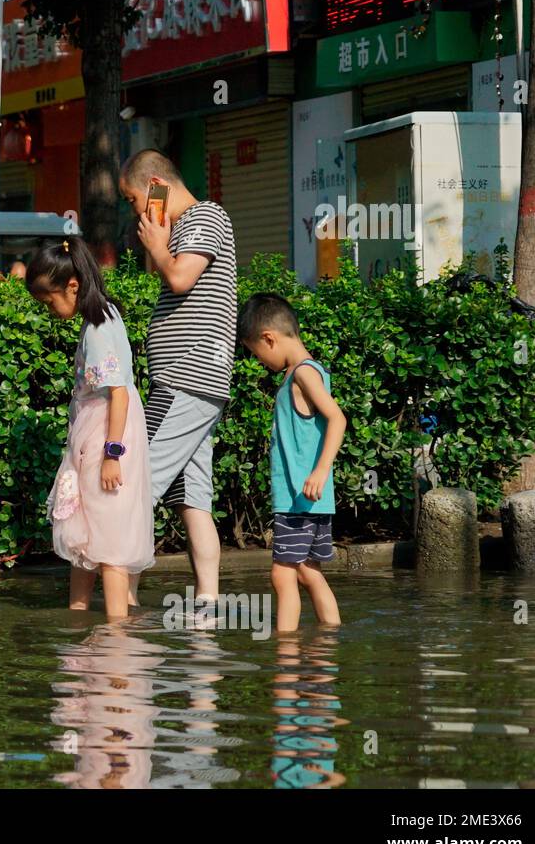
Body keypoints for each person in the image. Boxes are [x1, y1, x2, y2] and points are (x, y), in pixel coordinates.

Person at [122, 148, 237, 608]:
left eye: (133, 198)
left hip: (186, 380)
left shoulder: (206, 215)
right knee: (194, 501)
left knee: (134, 486)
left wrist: (155, 245)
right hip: (191, 383)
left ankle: (122, 602)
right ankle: (207, 608)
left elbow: (182, 278)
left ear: (154, 186)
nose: (134, 209)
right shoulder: (184, 226)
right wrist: (161, 241)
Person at [28, 238, 153, 618]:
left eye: (49, 302)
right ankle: (78, 616)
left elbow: (119, 393)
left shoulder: (99, 326)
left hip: (107, 436)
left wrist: (112, 454)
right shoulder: (101, 318)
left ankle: (116, 637)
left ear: (72, 286)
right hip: (96, 433)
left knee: (109, 541)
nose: (49, 310)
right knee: (86, 531)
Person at [238, 293, 344, 633]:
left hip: (298, 497)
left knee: (282, 574)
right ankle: (330, 639)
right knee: (308, 571)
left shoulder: (302, 374)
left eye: (258, 353)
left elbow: (337, 419)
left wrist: (321, 469)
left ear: (269, 337)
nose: (260, 361)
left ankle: (286, 654)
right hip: (311, 498)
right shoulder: (307, 373)